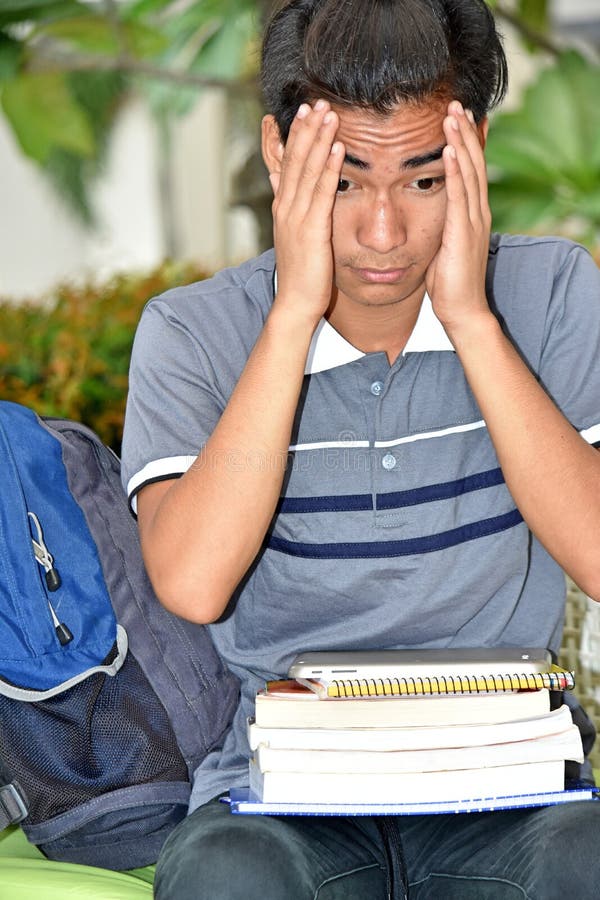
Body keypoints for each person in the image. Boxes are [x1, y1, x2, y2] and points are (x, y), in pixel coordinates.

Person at [121, 1, 600, 896]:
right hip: (283, 802)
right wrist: (292, 316)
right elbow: (192, 581)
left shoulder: (550, 292)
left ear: (472, 154)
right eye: (343, 181)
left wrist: (469, 320)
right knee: (224, 878)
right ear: (278, 155)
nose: (384, 235)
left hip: (515, 794)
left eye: (423, 181)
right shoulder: (195, 334)